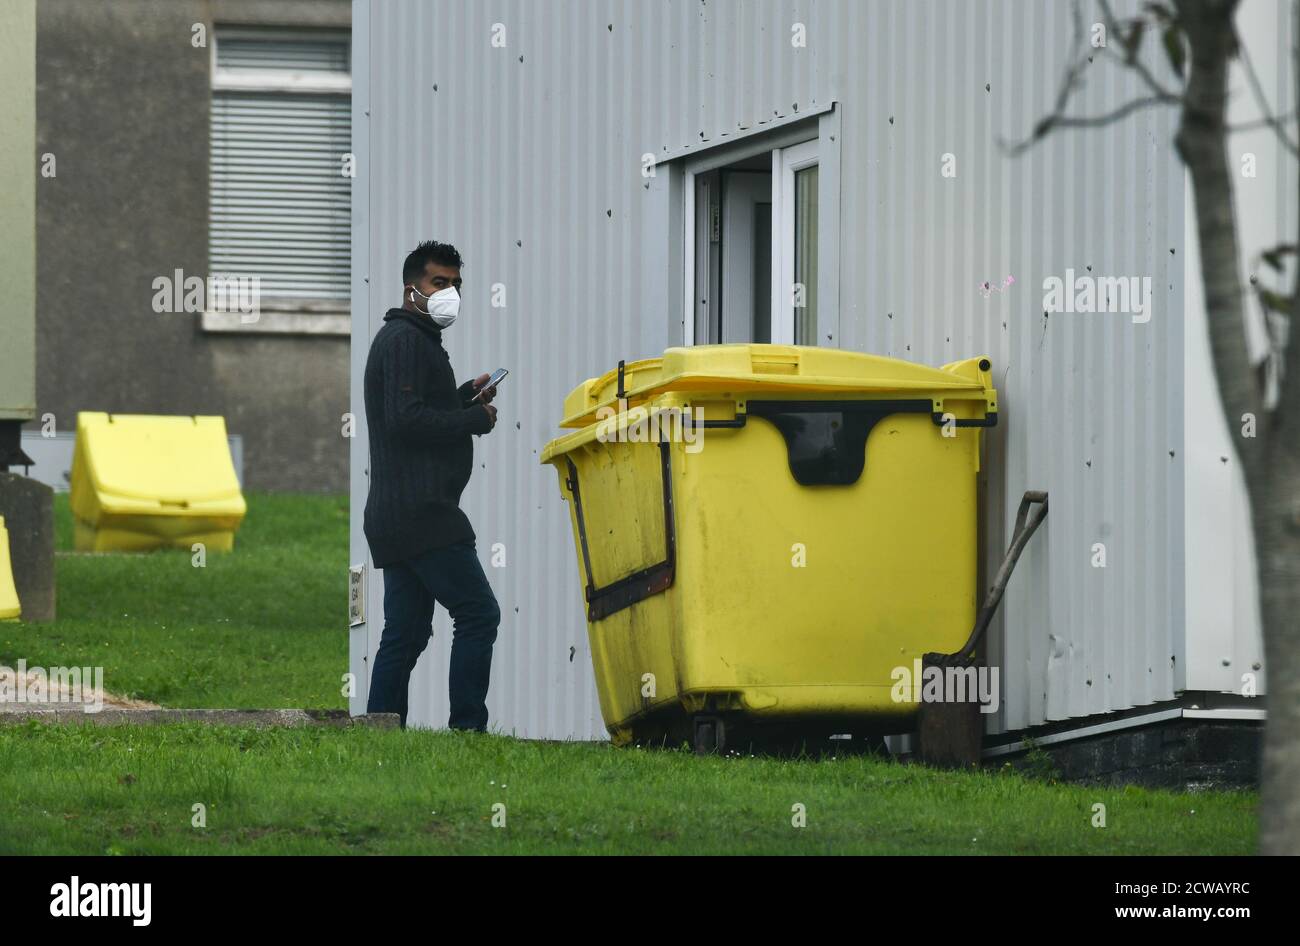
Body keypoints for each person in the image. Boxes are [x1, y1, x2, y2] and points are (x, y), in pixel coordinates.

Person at [362, 239, 500, 730]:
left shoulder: (414, 341)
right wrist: (473, 420)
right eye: (439, 283)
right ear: (411, 289)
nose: (450, 294)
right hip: (423, 512)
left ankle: (378, 730)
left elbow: (415, 409)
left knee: (407, 631)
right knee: (479, 613)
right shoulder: (405, 340)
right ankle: (467, 730)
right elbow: (404, 420)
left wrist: (462, 399)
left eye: (456, 285)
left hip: (395, 514)